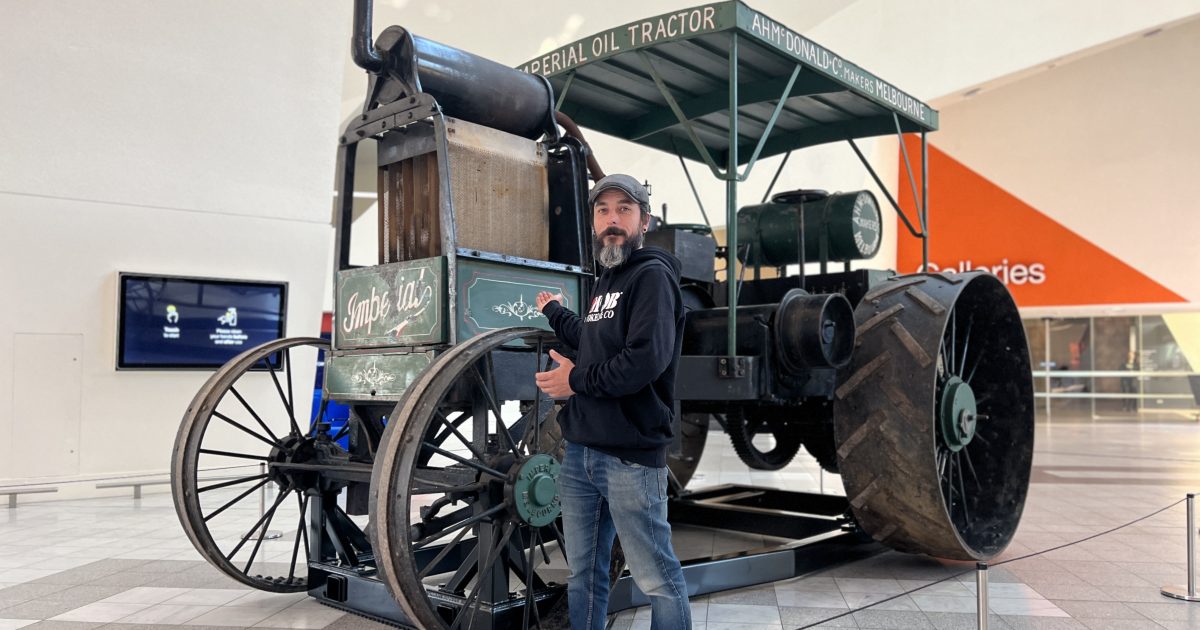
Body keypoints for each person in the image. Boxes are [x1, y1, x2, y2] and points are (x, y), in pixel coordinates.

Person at [534, 174, 691, 630]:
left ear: (644, 219)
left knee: (657, 578)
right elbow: (595, 340)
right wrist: (556, 314)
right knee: (584, 574)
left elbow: (644, 360)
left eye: (624, 210)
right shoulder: (607, 280)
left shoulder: (652, 277)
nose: (612, 220)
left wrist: (575, 383)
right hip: (583, 451)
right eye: (603, 211)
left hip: (630, 457)